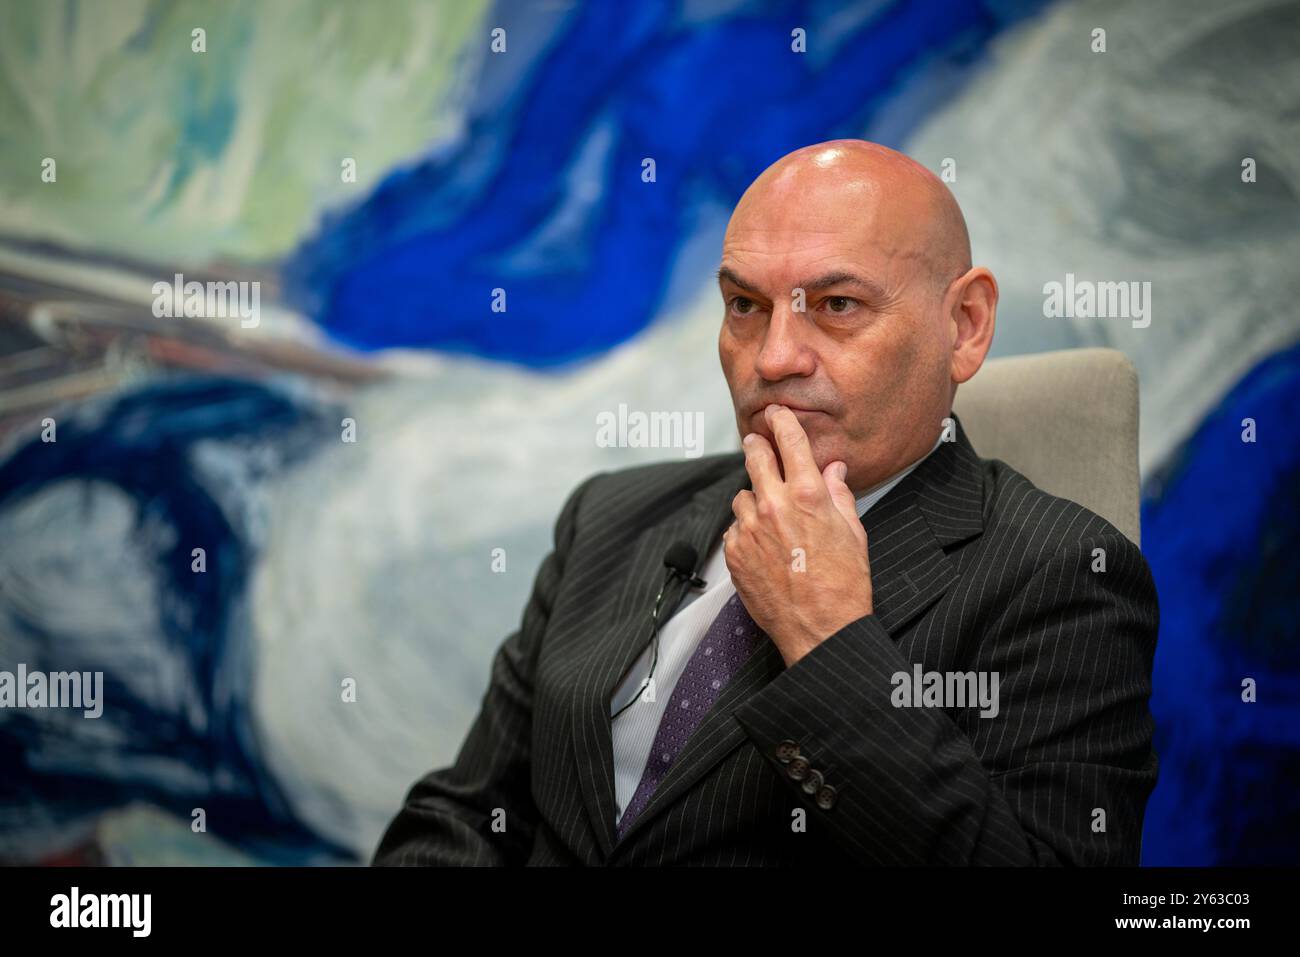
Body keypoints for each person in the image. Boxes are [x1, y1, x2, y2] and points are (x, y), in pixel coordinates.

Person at [372, 140, 1159, 866]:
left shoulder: (1063, 577)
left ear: (965, 325)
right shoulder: (610, 516)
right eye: (746, 305)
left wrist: (828, 641)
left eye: (838, 304)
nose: (775, 357)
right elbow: (468, 813)